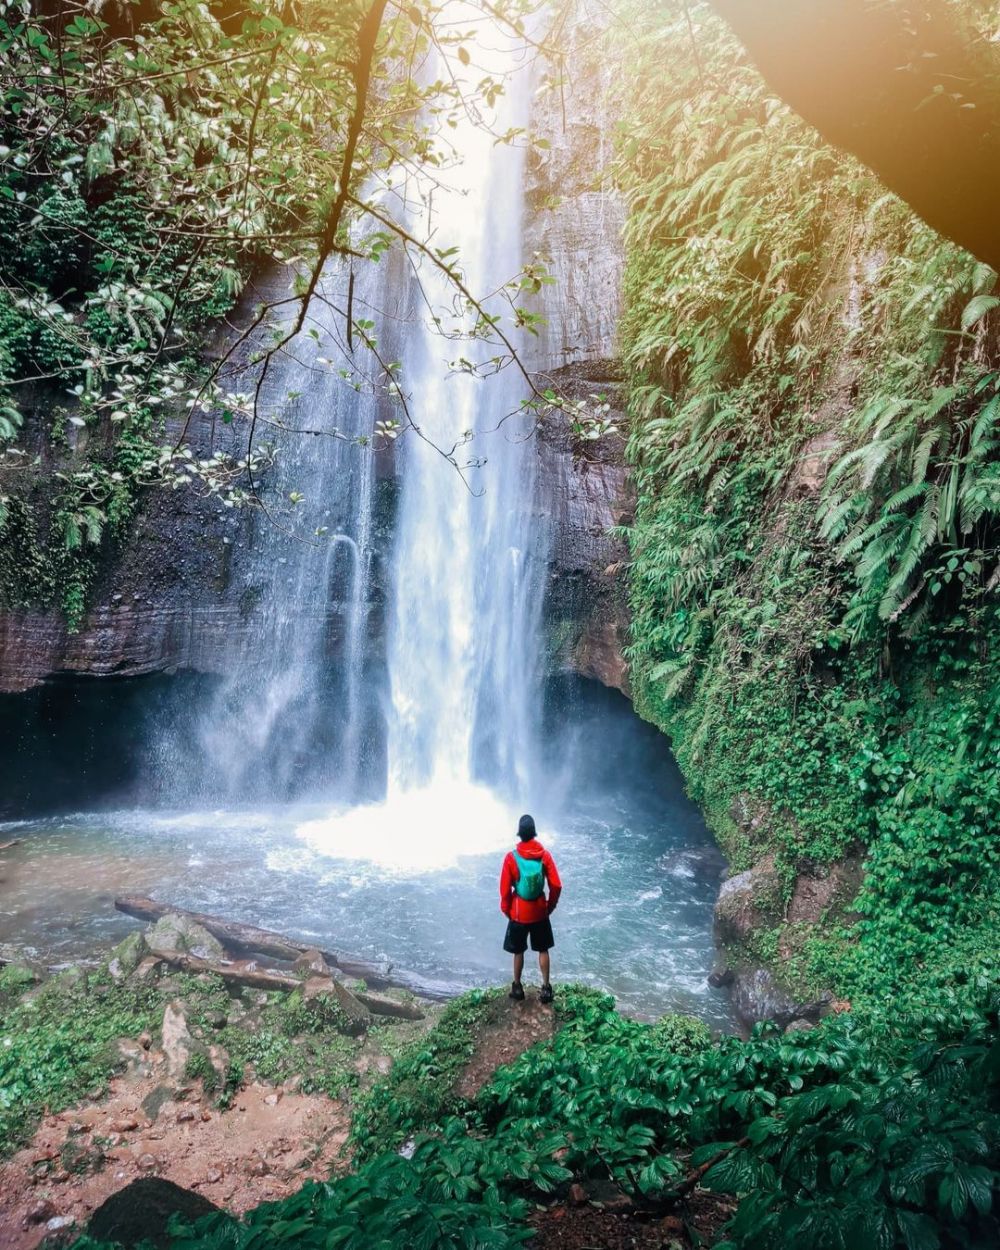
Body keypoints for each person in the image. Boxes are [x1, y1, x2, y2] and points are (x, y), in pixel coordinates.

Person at [499, 813, 561, 1003]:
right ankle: (546, 989)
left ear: (519, 833)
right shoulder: (544, 856)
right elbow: (556, 885)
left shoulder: (511, 858)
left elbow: (504, 890)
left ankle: (518, 988)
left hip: (519, 913)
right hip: (540, 911)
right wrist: (550, 906)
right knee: (543, 950)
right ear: (534, 832)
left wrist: (507, 910)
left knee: (518, 951)